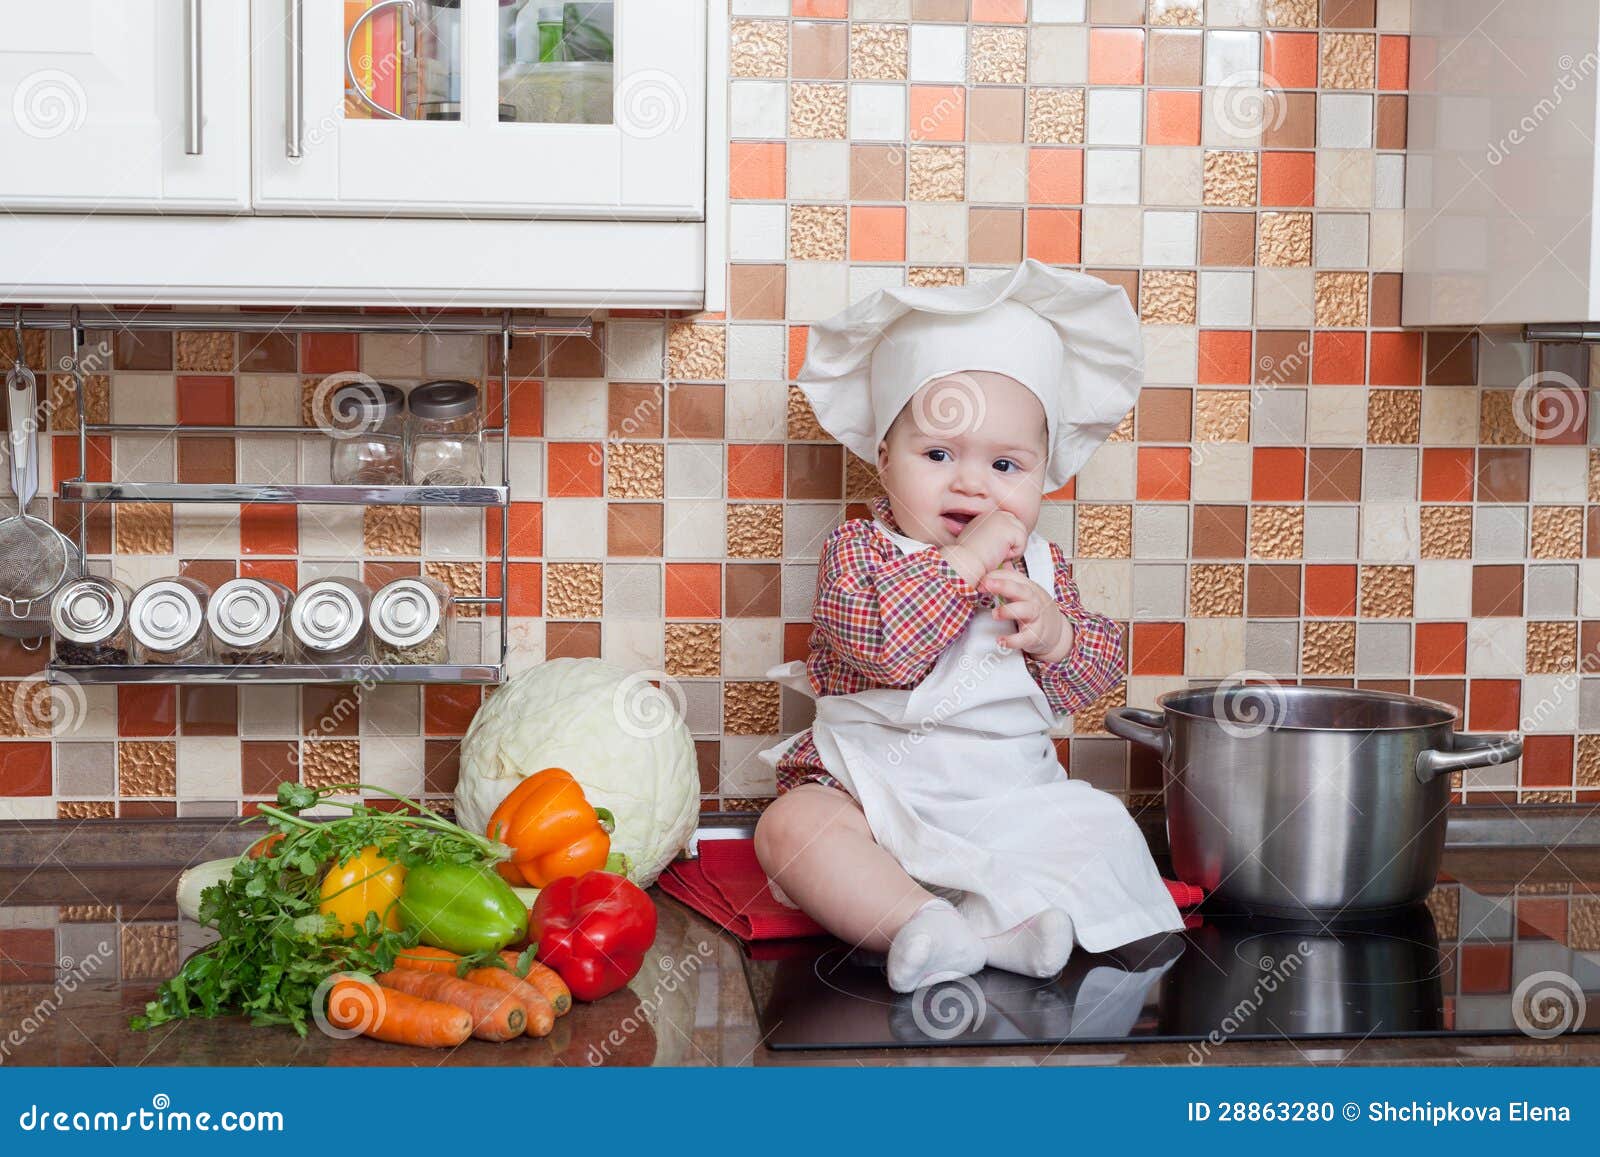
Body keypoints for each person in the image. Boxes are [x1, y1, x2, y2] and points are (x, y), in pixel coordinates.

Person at [754, 260, 1185, 994]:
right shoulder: (859, 552)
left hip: (1003, 798)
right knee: (790, 830)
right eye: (939, 454)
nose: (972, 483)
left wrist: (1055, 636)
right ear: (883, 458)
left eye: (1007, 463)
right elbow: (885, 649)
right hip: (867, 790)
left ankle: (998, 937)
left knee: (1103, 824)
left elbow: (1095, 679)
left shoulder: (1043, 568)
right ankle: (919, 922)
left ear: (1046, 473)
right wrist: (965, 558)